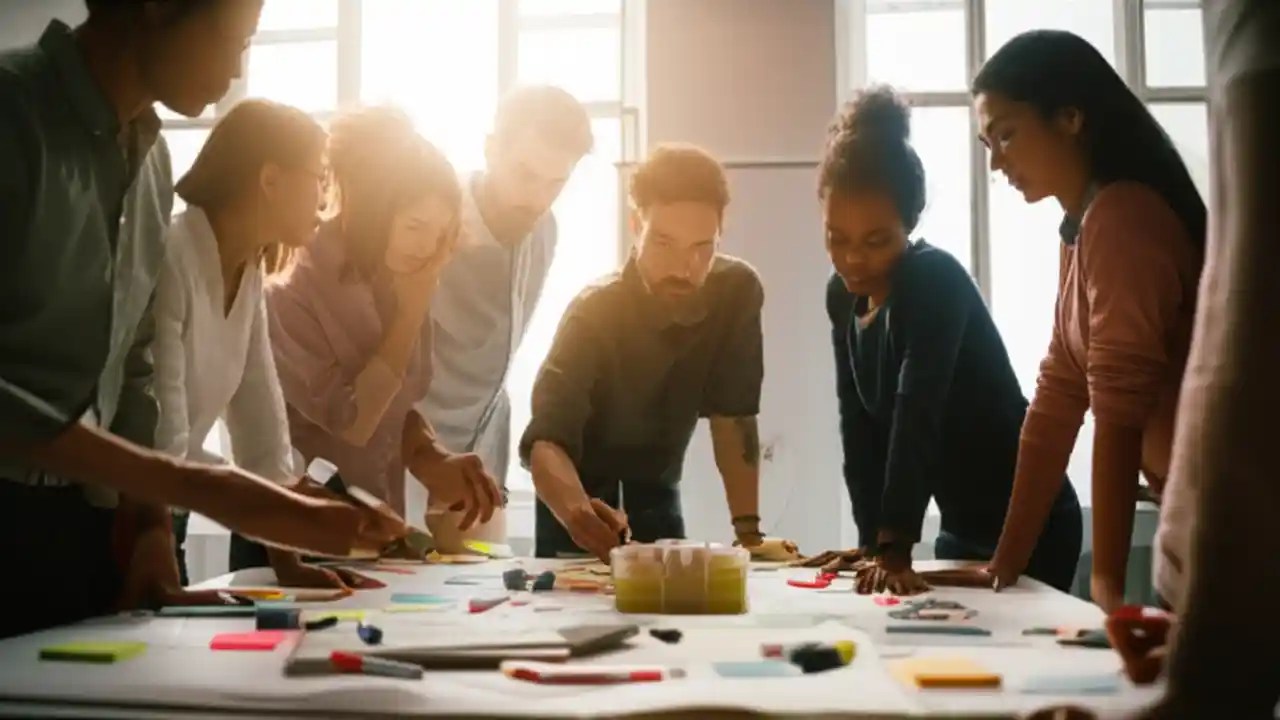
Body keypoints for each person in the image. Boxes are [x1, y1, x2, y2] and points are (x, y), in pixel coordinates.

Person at [0, 0, 399, 639]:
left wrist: (151, 522)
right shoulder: (12, 112)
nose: (236, 71)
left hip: (81, 525)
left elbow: (135, 369)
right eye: (236, 41)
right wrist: (195, 487)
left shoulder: (152, 165)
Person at [957, 30, 1206, 612]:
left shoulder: (1123, 216)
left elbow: (1119, 412)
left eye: (1007, 135)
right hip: (1188, 511)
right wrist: (1006, 563)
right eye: (987, 144)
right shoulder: (1082, 228)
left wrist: (1108, 592)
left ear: (1070, 117)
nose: (997, 163)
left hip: (1223, 511)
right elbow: (1057, 402)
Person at [821, 87, 1083, 595]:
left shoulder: (932, 279)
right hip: (959, 528)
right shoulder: (841, 296)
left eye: (876, 240)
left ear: (911, 221)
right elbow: (859, 428)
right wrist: (872, 543)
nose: (853, 259)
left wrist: (895, 546)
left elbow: (916, 412)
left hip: (1031, 528)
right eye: (836, 238)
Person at [264, 107, 503, 572]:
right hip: (294, 540)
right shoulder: (294, 280)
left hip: (379, 531)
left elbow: (399, 405)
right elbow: (353, 419)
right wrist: (414, 308)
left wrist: (431, 457)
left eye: (440, 233)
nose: (428, 249)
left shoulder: (397, 269)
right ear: (375, 207)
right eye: (415, 226)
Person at [520, 143, 780, 561]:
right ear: (635, 223)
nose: (684, 267)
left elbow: (733, 419)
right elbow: (546, 442)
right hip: (577, 504)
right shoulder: (593, 312)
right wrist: (577, 513)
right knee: (573, 618)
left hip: (659, 496)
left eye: (702, 247)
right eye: (664, 243)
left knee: (666, 621)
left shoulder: (736, 292)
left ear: (721, 232)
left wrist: (748, 536)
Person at [153, 99, 370, 589]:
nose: (325, 198)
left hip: (170, 511)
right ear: (270, 180)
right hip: (126, 518)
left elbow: (262, 429)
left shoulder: (248, 272)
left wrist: (290, 564)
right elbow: (162, 440)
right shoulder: (171, 257)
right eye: (319, 177)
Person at [413, 85, 592, 540]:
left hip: (481, 468)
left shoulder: (544, 231)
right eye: (525, 174)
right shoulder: (431, 221)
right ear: (492, 149)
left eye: (556, 183)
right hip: (403, 460)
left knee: (486, 603)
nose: (537, 198)